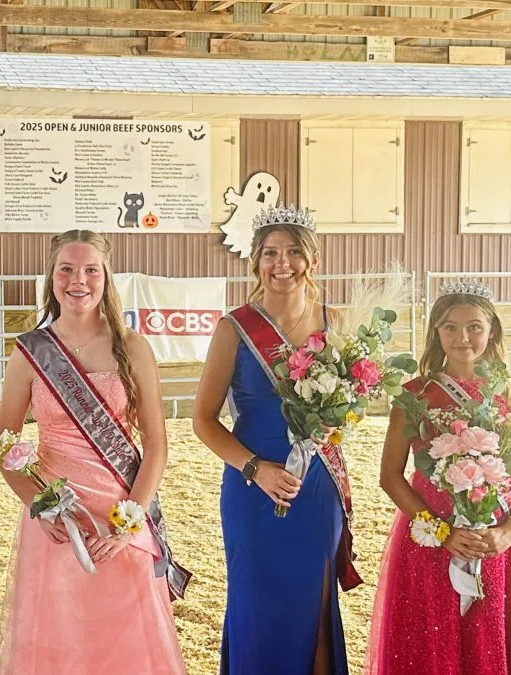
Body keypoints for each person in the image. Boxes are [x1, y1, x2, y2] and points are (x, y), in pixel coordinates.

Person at [0, 229, 188, 675]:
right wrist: (38, 506)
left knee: (126, 641)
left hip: (120, 516)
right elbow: (5, 444)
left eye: (90, 270)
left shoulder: (132, 347)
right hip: (57, 519)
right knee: (60, 639)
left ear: (106, 277)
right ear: (51, 276)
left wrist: (131, 520)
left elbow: (156, 445)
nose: (78, 280)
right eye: (67, 268)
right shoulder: (30, 352)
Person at [364, 279, 511, 675]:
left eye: (474, 326)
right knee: (430, 646)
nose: (462, 337)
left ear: (492, 331)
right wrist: (441, 532)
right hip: (429, 543)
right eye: (450, 326)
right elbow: (390, 476)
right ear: (436, 332)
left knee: (489, 646)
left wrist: (510, 531)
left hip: (494, 544)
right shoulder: (414, 396)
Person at [192, 205, 355, 674]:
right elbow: (203, 421)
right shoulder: (234, 328)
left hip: (315, 488)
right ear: (256, 263)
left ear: (313, 260)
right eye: (269, 253)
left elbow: (349, 409)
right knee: (256, 605)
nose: (281, 263)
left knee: (316, 605)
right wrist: (254, 468)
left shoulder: (338, 323)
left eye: (293, 252)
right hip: (252, 489)